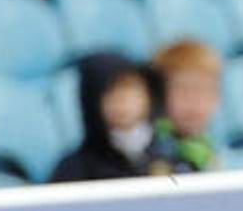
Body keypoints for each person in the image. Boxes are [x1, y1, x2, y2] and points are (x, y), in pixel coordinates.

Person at [50, 54, 177, 182]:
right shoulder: (75, 168)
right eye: (110, 92)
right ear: (91, 102)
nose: (122, 100)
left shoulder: (173, 153)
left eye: (130, 88)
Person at [151, 39, 222, 173]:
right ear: (158, 96)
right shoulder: (153, 154)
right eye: (182, 89)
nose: (193, 100)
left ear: (217, 97)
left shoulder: (208, 148)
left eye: (203, 89)